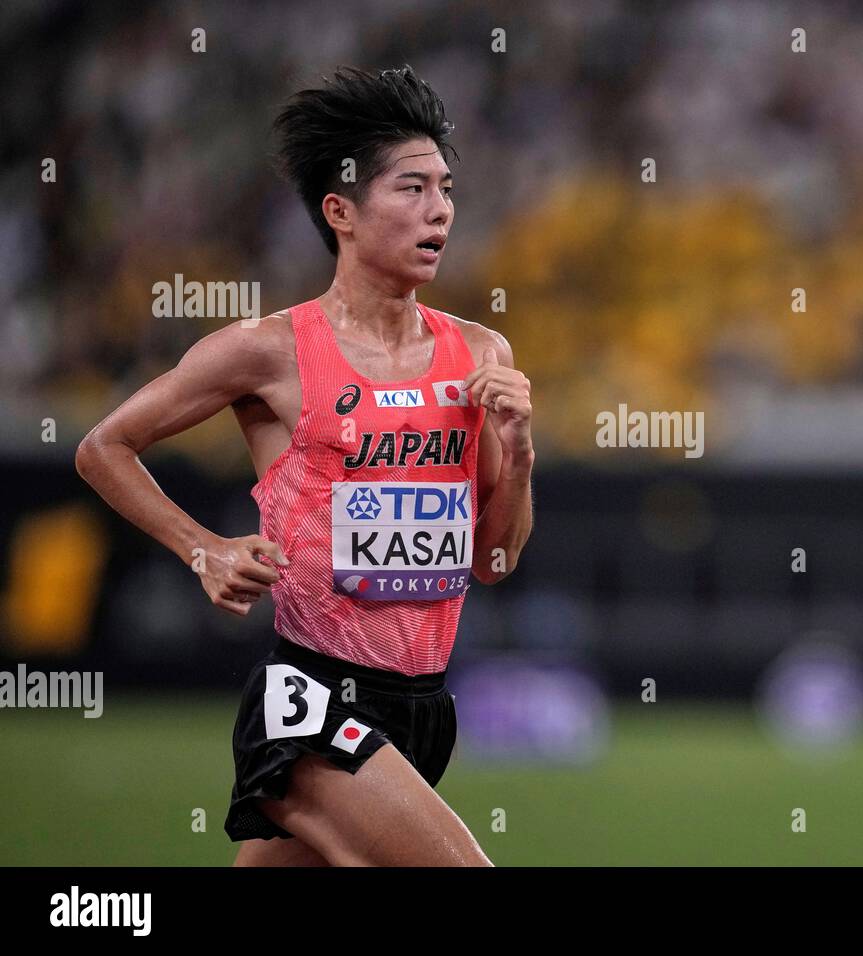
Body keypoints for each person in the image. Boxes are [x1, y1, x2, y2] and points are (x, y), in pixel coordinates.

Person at [75, 66, 534, 866]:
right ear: (341, 212)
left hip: (422, 708)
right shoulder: (271, 351)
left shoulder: (480, 355)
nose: (440, 210)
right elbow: (102, 447)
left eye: (446, 189)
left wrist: (520, 452)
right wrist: (202, 547)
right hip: (315, 700)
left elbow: (494, 562)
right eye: (412, 188)